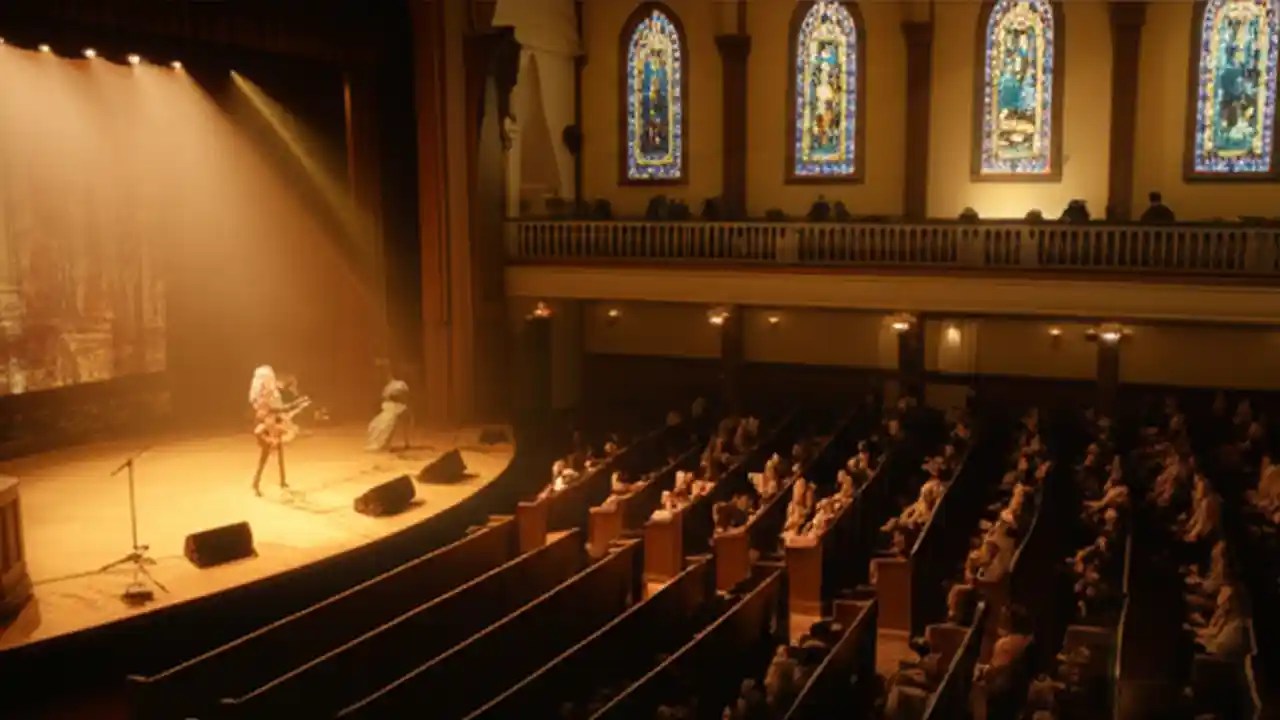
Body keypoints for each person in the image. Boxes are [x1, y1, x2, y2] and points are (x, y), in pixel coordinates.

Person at [249, 365, 306, 496]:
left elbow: (279, 409)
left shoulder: (269, 394)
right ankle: (256, 483)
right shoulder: (262, 397)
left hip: (273, 423)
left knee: (279, 453)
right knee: (264, 456)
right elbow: (275, 410)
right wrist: (296, 405)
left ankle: (282, 481)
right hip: (267, 426)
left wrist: (295, 405)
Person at [366, 363, 411, 452]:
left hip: (398, 407)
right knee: (375, 423)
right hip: (388, 408)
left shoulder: (400, 384)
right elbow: (383, 398)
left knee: (388, 421)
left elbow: (404, 396)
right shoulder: (386, 387)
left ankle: (383, 443)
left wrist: (393, 396)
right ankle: (376, 442)